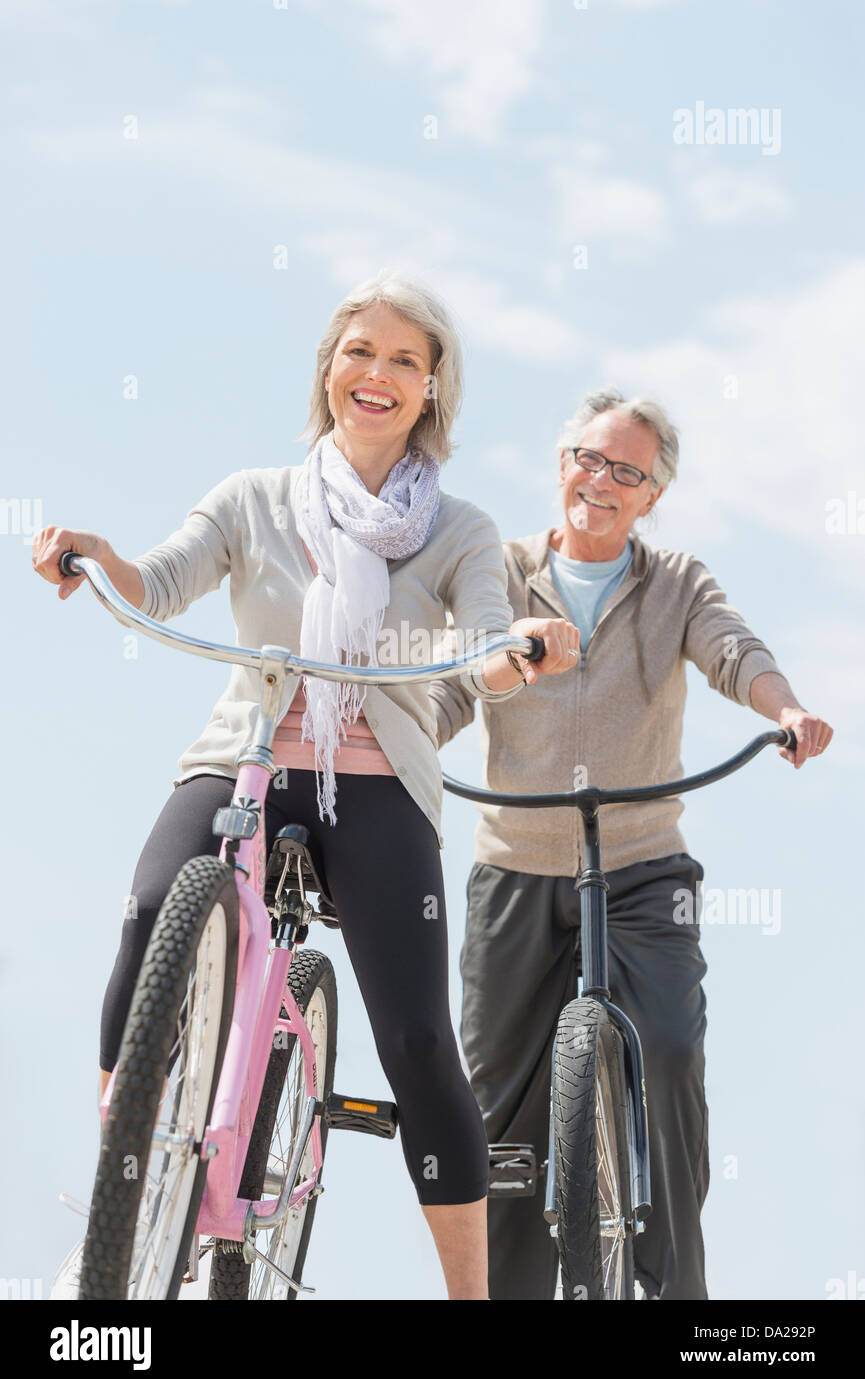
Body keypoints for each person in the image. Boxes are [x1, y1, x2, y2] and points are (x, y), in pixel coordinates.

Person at [33, 272, 579, 1301]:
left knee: (417, 1037)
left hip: (376, 781)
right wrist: (97, 556)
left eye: (404, 360)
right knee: (154, 908)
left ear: (431, 392)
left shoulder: (456, 529)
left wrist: (520, 651)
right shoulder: (253, 499)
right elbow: (162, 577)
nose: (376, 373)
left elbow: (481, 649)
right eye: (358, 351)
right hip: (245, 754)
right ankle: (125, 1199)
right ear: (330, 369)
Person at [428, 387, 834, 1300]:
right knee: (494, 1105)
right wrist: (393, 741)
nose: (599, 481)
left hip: (644, 868)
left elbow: (734, 650)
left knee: (671, 1051)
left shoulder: (677, 582)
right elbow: (456, 687)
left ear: (651, 496)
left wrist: (789, 709)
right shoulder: (499, 571)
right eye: (587, 458)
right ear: (560, 461)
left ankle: (677, 1294)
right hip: (515, 869)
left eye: (627, 471)